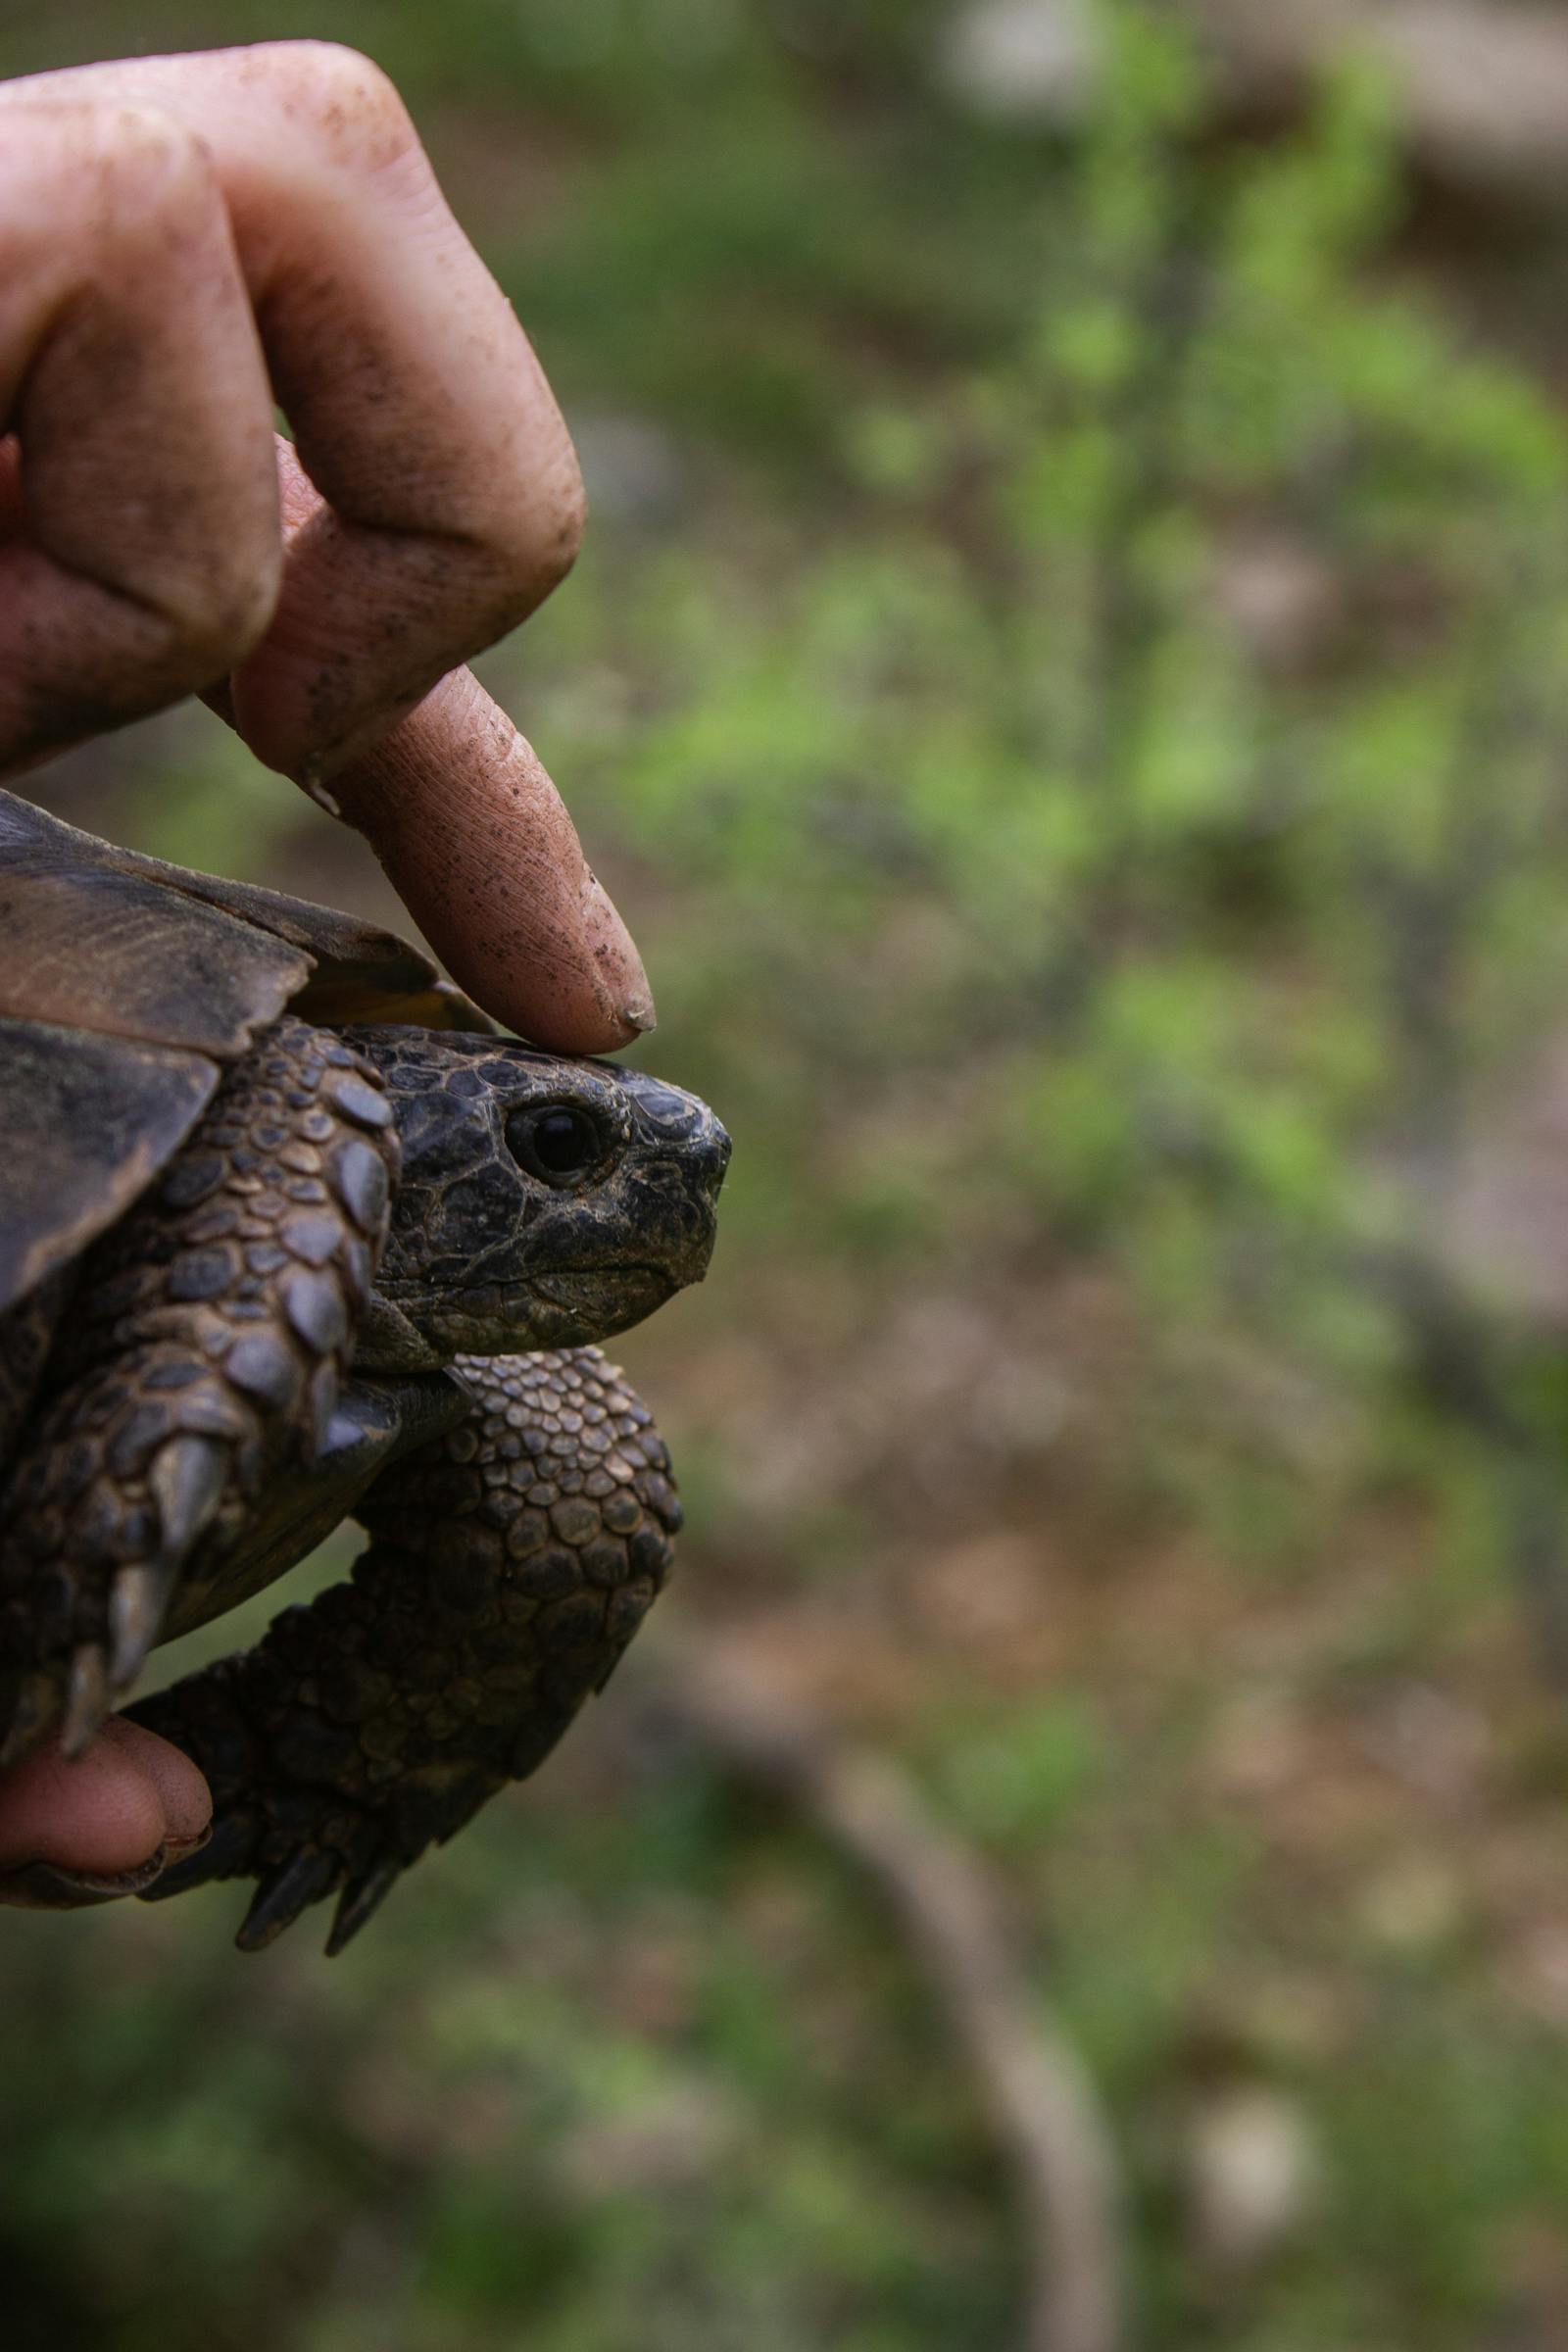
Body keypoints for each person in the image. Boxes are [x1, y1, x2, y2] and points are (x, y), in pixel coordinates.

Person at [0, 41, 654, 1903]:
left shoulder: (470, 1373)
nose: (654, 1182)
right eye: (546, 1143)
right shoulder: (291, 1172)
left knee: (573, 1487)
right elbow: (287, 1147)